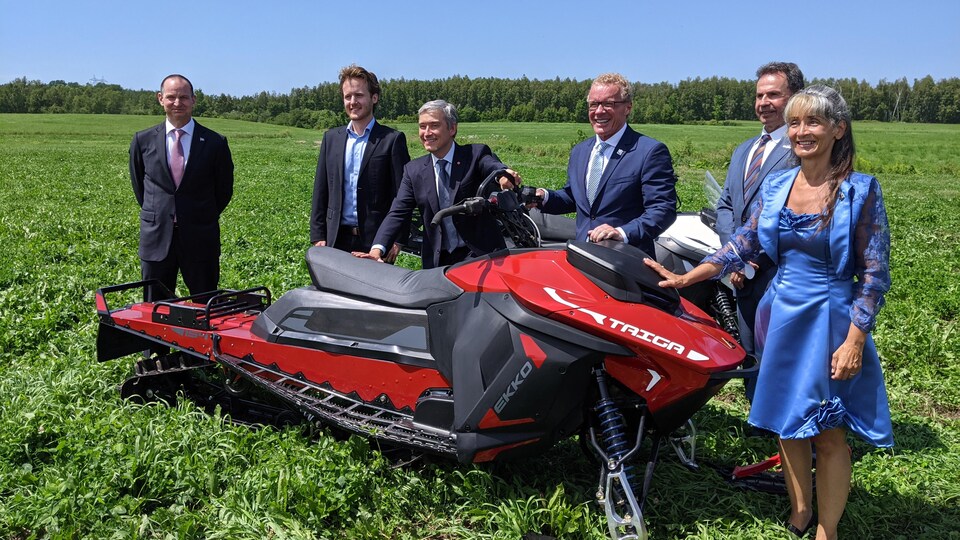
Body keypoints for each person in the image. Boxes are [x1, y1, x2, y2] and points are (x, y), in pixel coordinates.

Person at [644, 85, 893, 539]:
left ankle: (827, 528)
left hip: (831, 319)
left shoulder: (861, 191)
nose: (801, 132)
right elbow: (743, 243)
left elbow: (874, 276)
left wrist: (855, 339)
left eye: (812, 122)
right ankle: (799, 512)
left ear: (838, 129)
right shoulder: (778, 186)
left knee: (829, 431)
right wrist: (688, 278)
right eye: (795, 122)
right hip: (779, 313)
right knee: (787, 419)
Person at [716, 62, 805, 401]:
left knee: (780, 353)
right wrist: (736, 258)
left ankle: (789, 429)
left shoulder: (801, 150)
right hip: (742, 271)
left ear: (794, 97)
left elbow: (795, 216)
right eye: (759, 95)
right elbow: (726, 205)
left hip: (778, 272)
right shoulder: (745, 149)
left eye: (773, 95)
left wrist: (751, 260)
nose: (763, 102)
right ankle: (760, 418)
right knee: (750, 346)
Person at [360, 99, 521, 269]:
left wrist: (503, 174)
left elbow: (491, 166)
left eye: (434, 125)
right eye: (422, 126)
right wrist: (377, 250)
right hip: (438, 262)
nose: (427, 133)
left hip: (480, 256)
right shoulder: (413, 170)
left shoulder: (474, 154)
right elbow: (398, 212)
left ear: (452, 128)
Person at [534, 73, 677, 257]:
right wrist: (543, 197)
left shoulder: (649, 151)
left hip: (626, 263)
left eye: (608, 104)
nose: (599, 111)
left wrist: (622, 233)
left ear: (628, 107)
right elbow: (574, 197)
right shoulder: (580, 151)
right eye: (594, 104)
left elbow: (662, 210)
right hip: (583, 258)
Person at [130, 74, 234, 302]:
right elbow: (141, 188)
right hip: (156, 239)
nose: (178, 103)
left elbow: (224, 190)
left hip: (200, 237)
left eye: (184, 97)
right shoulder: (143, 140)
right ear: (160, 99)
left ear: (194, 100)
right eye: (171, 97)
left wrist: (198, 213)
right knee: (154, 310)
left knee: (205, 305)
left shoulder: (215, 142)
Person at [310, 64, 410, 261]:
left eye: (359, 95)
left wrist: (398, 239)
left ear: (374, 98)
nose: (353, 102)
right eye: (348, 97)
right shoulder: (331, 138)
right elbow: (321, 188)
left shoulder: (391, 140)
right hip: (335, 239)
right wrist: (318, 235)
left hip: (376, 241)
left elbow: (403, 195)